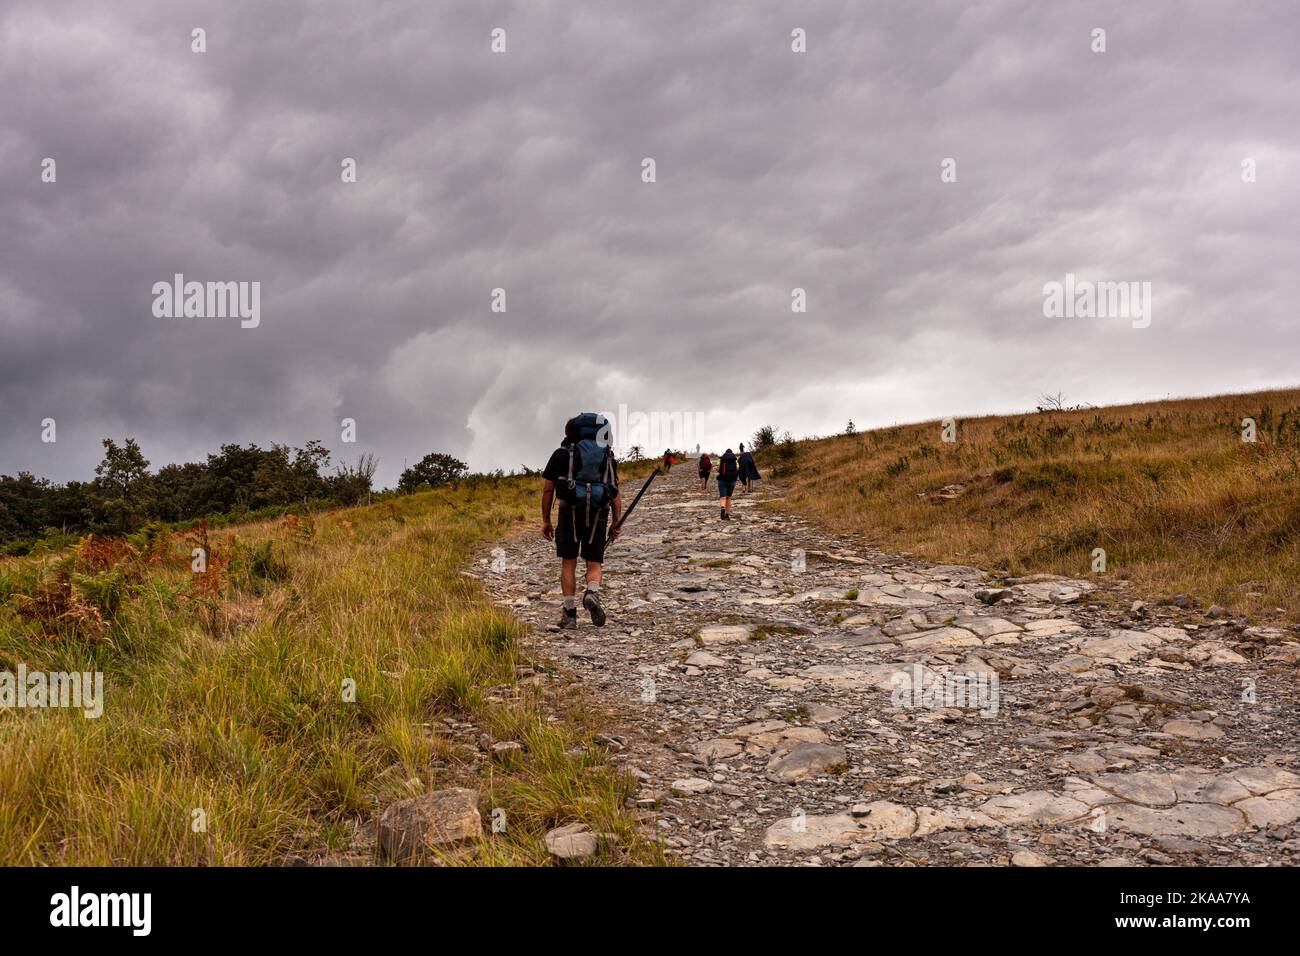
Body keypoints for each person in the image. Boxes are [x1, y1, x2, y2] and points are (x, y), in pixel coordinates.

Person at [541, 413, 622, 628]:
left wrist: (546, 520)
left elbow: (548, 490)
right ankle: (592, 592)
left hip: (569, 511)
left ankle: (569, 613)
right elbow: (615, 493)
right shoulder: (607, 456)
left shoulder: (561, 454)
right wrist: (616, 522)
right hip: (598, 511)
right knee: (593, 561)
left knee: (569, 562)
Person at [716, 447, 738, 520]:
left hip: (722, 480)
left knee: (723, 497)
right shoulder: (735, 460)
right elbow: (737, 468)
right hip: (732, 480)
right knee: (729, 497)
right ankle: (727, 514)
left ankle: (722, 508)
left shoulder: (720, 459)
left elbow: (718, 469)